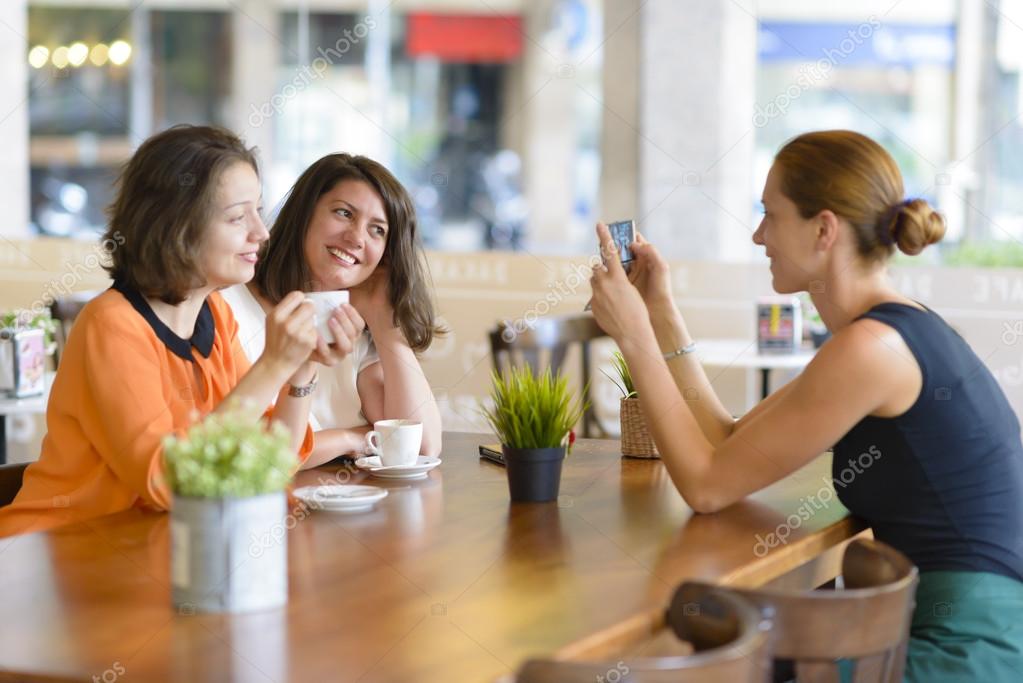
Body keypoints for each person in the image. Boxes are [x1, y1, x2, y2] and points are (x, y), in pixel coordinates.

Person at [588, 130, 1023, 681]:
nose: (757, 235)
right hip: (940, 629)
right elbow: (725, 443)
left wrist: (634, 338)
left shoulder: (872, 350)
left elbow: (705, 486)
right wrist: (662, 314)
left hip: (966, 651)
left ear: (823, 229)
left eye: (770, 215)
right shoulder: (887, 331)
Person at [0, 125, 364, 537]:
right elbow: (168, 482)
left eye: (257, 212)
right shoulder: (112, 324)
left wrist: (301, 368)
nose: (260, 233)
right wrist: (272, 367)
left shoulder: (215, 314)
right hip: (50, 559)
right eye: (236, 217)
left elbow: (271, 460)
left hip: (151, 552)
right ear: (177, 225)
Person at [221, 153, 442, 468]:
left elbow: (420, 447)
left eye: (377, 230)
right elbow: (249, 451)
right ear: (304, 213)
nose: (356, 238)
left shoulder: (353, 325)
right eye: (343, 213)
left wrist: (385, 325)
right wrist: (351, 438)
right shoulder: (229, 304)